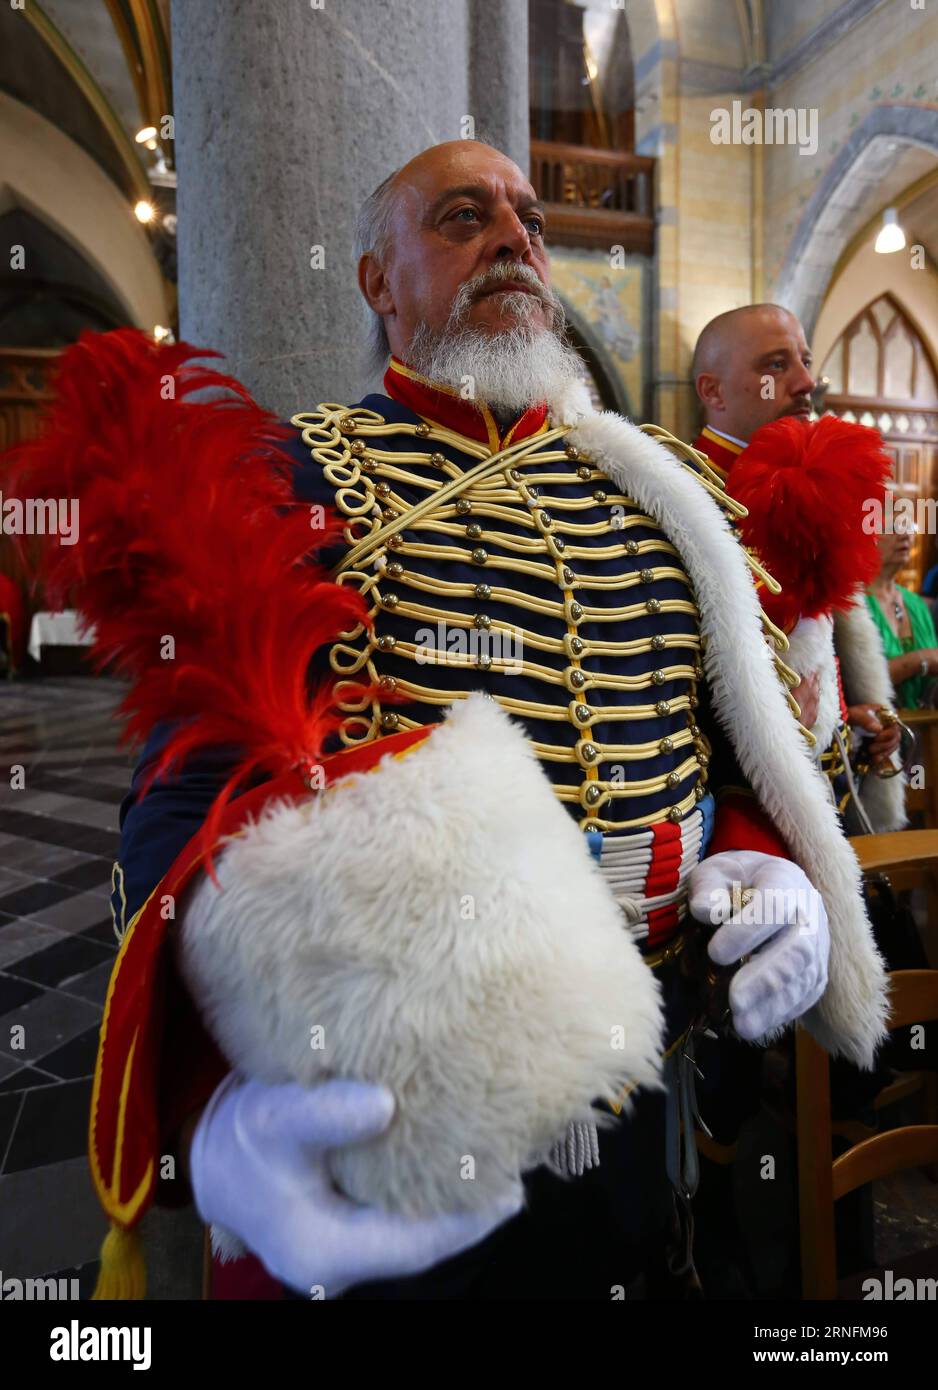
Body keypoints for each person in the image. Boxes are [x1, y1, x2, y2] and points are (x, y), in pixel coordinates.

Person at [15, 144, 888, 1302]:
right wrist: (214, 1100)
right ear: (376, 283)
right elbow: (187, 799)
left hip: (652, 1065)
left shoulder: (664, 489)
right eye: (463, 218)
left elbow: (736, 745)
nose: (513, 240)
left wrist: (761, 853)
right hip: (402, 1101)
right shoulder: (293, 472)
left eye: (526, 221)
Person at [692, 303, 904, 829]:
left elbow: (810, 661)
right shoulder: (682, 502)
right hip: (729, 827)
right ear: (712, 392)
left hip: (821, 802)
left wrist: (844, 723)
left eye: (806, 361)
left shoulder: (807, 486)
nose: (807, 382)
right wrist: (772, 729)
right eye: (775, 365)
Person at [867, 523, 938, 709]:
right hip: (872, 732)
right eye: (891, 527)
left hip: (922, 730)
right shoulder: (852, 604)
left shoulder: (916, 604)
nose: (904, 534)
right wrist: (920, 660)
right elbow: (855, 683)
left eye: (908, 526)